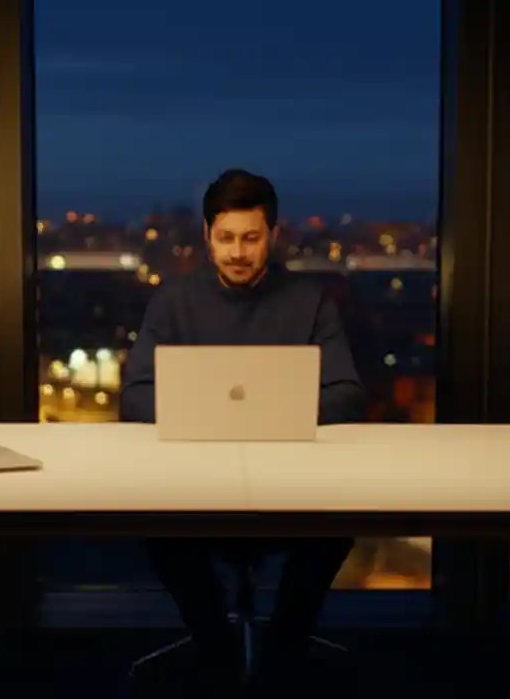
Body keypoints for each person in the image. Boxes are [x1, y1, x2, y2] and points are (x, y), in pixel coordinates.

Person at [120, 168, 367, 691]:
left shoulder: (311, 301)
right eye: (226, 237)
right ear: (207, 236)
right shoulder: (173, 302)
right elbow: (135, 395)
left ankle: (285, 649)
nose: (237, 252)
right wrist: (214, 416)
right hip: (196, 484)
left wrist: (270, 413)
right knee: (157, 527)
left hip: (291, 484)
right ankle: (213, 643)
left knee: (334, 528)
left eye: (251, 238)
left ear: (273, 236)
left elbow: (347, 393)